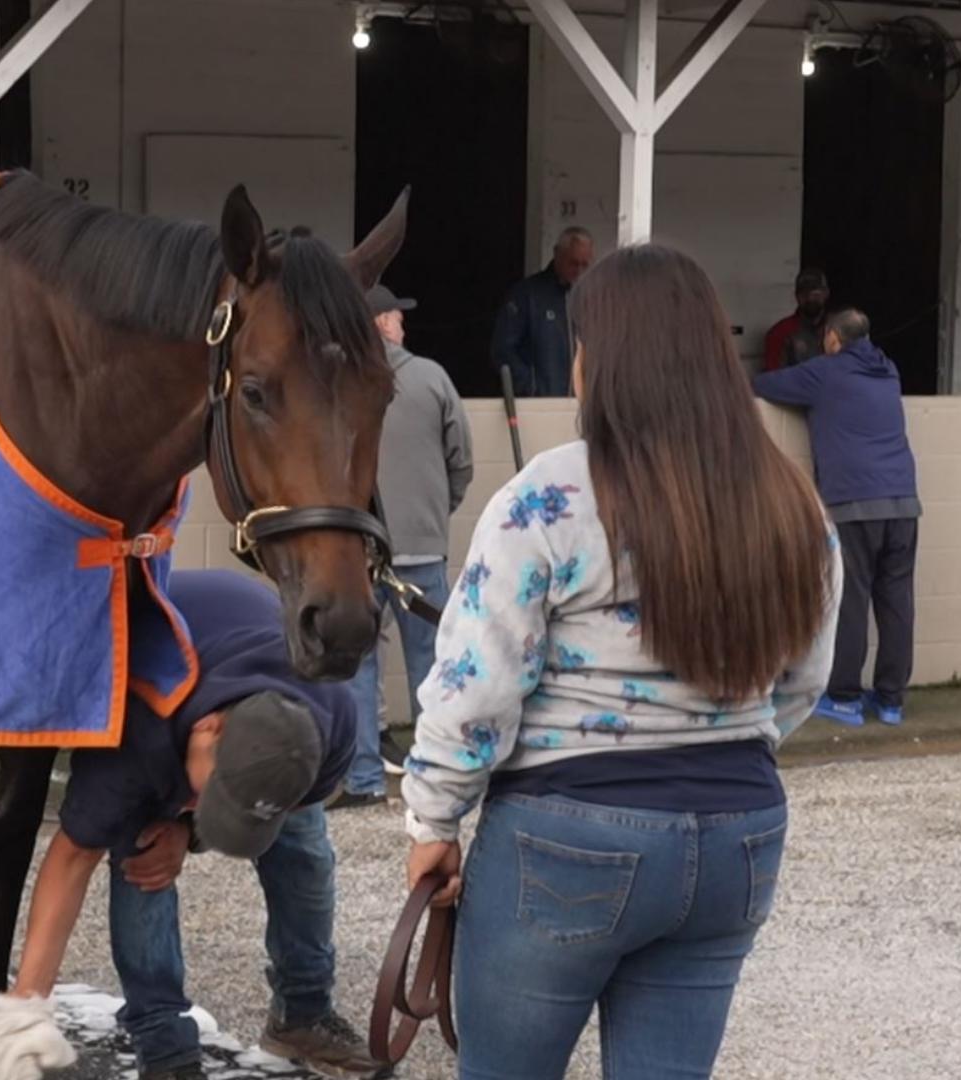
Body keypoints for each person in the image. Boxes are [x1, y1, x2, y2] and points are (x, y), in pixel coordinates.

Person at [403, 245, 843, 1079]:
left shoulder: (550, 494)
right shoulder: (792, 497)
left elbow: (478, 682)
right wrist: (720, 735)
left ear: (599, 360)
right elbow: (806, 676)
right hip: (739, 833)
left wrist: (433, 817)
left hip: (570, 836)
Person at [0, 570, 379, 1080]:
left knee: (304, 850)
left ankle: (302, 1013)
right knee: (143, 858)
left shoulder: (325, 726)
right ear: (207, 728)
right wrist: (24, 1012)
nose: (195, 804)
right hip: (155, 672)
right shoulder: (136, 743)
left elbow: (271, 800)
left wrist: (191, 831)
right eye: (206, 795)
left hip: (250, 666)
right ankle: (165, 1047)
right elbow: (71, 859)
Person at [752, 308, 920, 727]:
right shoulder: (889, 370)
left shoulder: (825, 373)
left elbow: (764, 385)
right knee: (896, 602)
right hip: (902, 501)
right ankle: (891, 701)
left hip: (854, 502)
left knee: (852, 598)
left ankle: (845, 697)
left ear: (831, 338)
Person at [339, 284, 472, 808]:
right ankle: (432, 777)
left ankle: (365, 780)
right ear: (384, 322)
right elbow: (461, 458)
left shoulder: (342, 382)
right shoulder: (431, 377)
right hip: (421, 549)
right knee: (431, 668)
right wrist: (436, 512)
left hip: (361, 549)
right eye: (398, 315)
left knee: (361, 666)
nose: (403, 323)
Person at [491, 227, 594, 399]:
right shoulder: (527, 294)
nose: (580, 271)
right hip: (540, 405)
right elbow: (502, 350)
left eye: (585, 264)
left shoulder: (593, 299)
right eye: (573, 263)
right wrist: (530, 387)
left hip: (583, 406)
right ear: (557, 254)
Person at [762, 268, 831, 372]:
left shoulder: (838, 330)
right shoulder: (779, 332)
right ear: (796, 296)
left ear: (826, 294)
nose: (810, 299)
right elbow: (774, 379)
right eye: (804, 294)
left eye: (815, 294)